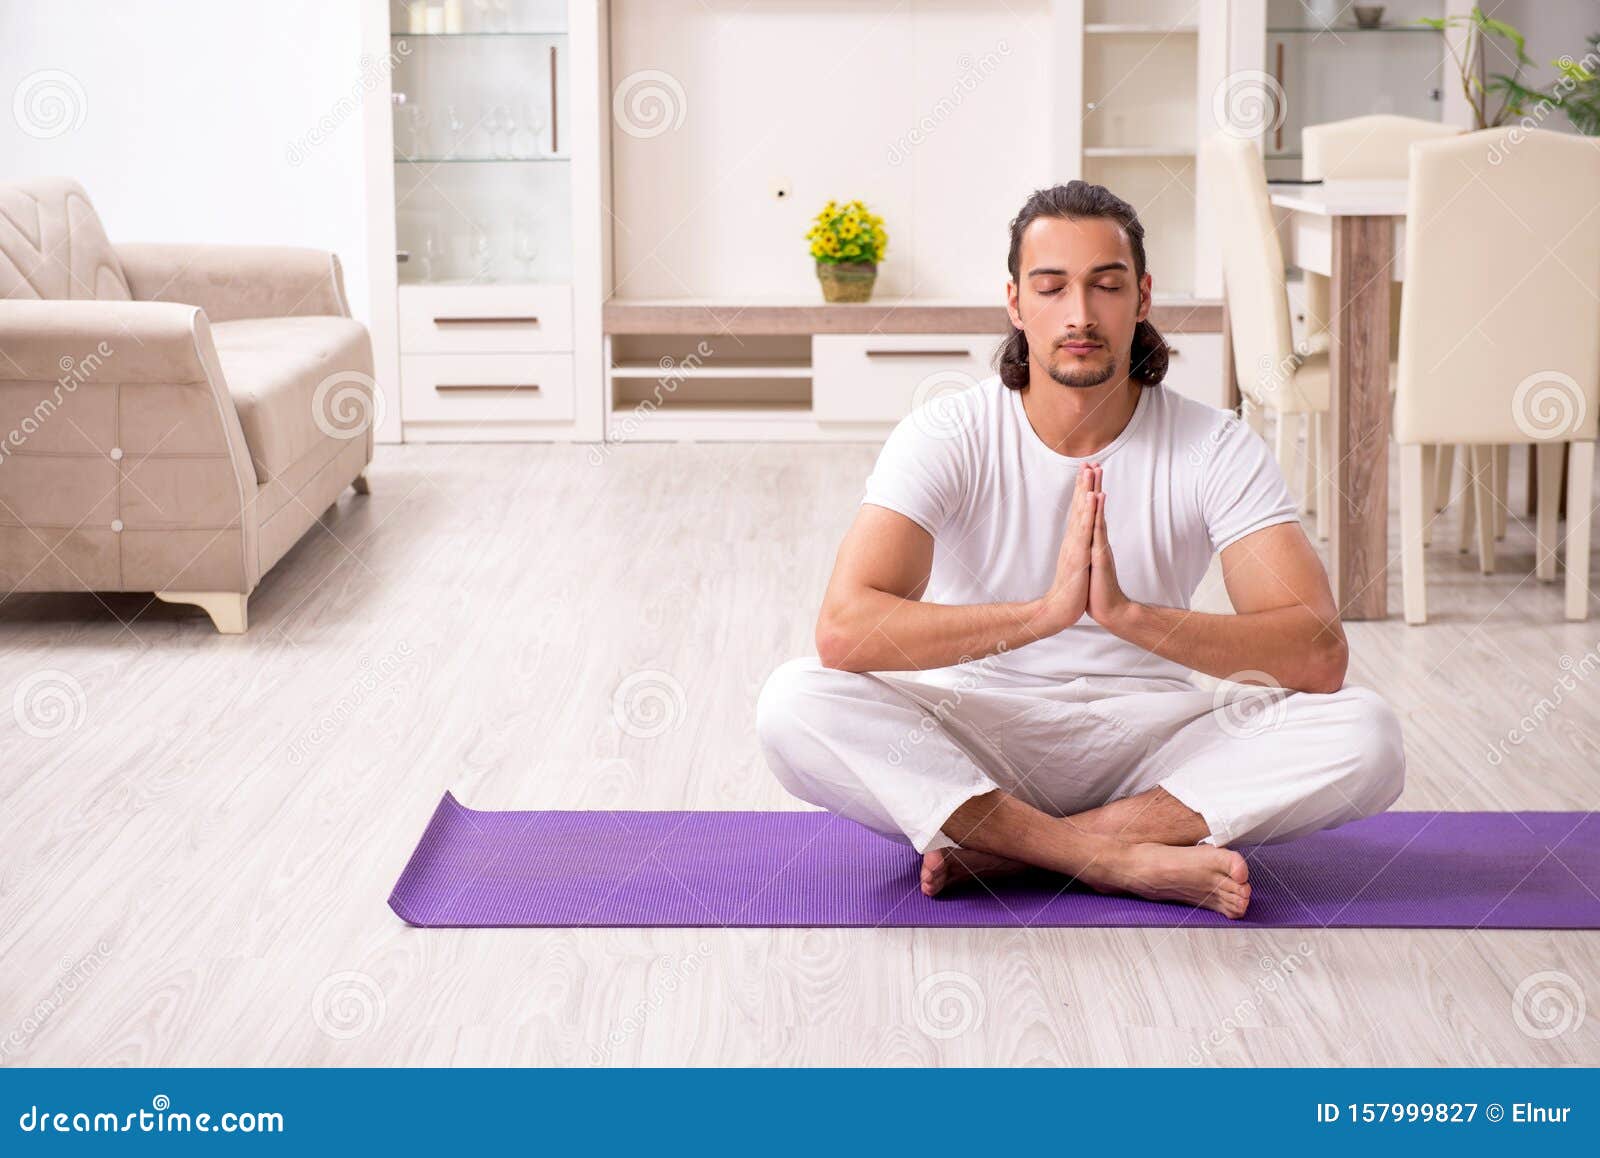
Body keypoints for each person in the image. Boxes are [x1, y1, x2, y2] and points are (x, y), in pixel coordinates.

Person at [755, 181, 1405, 919]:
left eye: (1106, 286)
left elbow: (1317, 654)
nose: (1080, 314)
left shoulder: (1215, 446)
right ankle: (1114, 860)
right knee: (794, 701)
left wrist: (1129, 616)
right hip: (985, 733)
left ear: (1142, 298)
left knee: (1367, 732)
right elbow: (844, 632)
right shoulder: (948, 435)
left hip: (1154, 744)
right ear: (1015, 303)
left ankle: (1019, 849)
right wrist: (1042, 616)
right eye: (1052, 287)